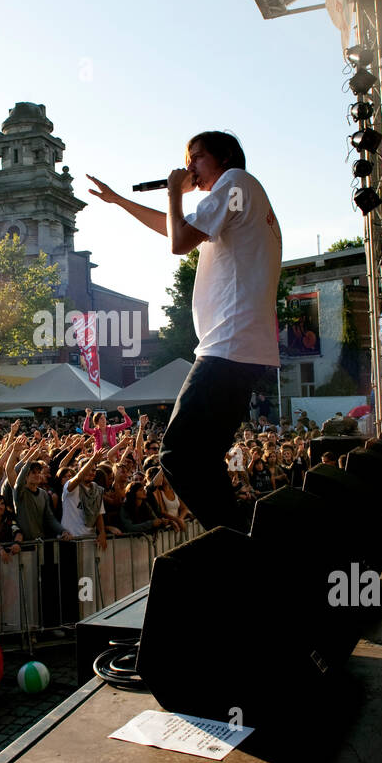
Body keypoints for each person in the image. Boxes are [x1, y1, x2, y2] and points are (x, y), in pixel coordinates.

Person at [87, 131, 281, 532]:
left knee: (177, 455)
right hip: (241, 347)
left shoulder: (235, 182)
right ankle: (242, 541)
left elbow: (179, 242)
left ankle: (237, 546)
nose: (190, 167)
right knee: (202, 457)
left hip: (228, 346)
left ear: (224, 156)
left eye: (196, 158)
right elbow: (172, 227)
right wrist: (120, 201)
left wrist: (175, 190)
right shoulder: (243, 192)